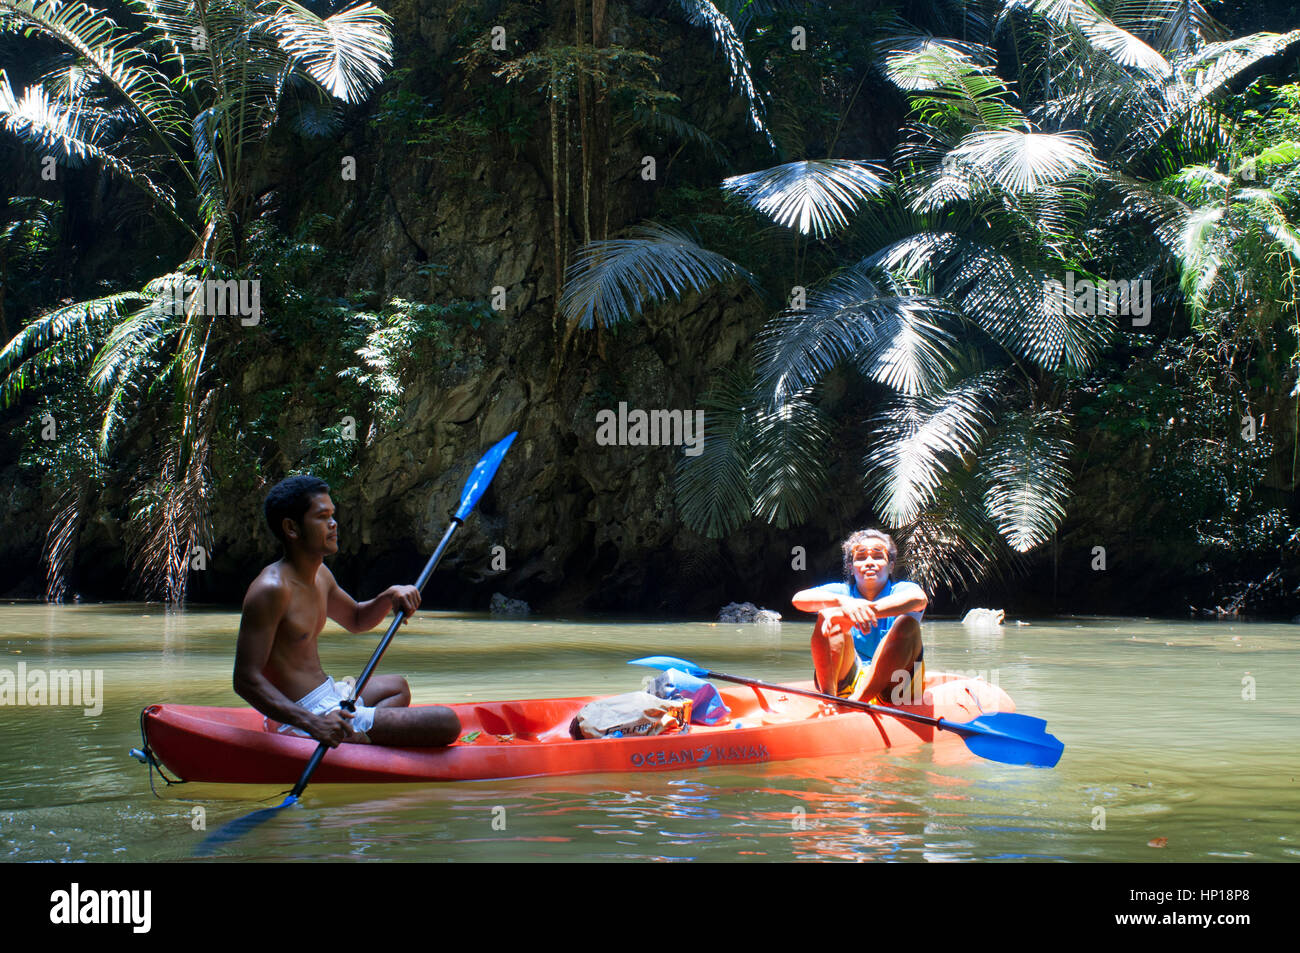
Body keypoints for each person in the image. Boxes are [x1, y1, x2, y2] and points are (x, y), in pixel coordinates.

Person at [233, 475, 460, 747]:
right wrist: (312, 722)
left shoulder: (320, 575)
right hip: (305, 715)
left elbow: (356, 619)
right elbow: (245, 680)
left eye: (333, 515)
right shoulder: (271, 590)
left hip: (329, 693)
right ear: (292, 528)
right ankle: (349, 736)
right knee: (447, 722)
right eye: (322, 517)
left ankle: (358, 737)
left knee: (397, 686)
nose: (333, 524)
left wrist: (389, 596)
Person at [791, 529, 927, 706]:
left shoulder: (902, 590)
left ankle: (857, 703)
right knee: (827, 614)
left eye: (878, 557)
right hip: (850, 677)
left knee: (907, 623)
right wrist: (843, 603)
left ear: (891, 565)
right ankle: (830, 699)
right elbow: (798, 600)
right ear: (851, 567)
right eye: (861, 558)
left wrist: (868, 610)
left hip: (895, 684)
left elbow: (919, 599)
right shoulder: (842, 592)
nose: (869, 562)